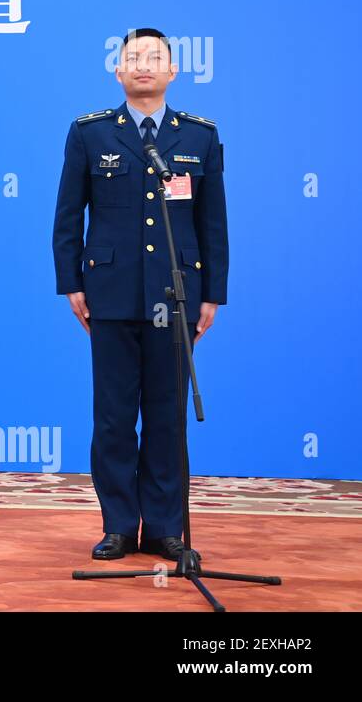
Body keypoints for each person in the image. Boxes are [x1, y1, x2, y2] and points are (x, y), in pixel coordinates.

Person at [52, 28, 228, 561]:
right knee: (112, 416)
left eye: (154, 58)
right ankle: (120, 526)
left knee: (168, 414)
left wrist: (211, 294)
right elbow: (67, 217)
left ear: (173, 71)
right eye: (132, 58)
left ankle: (167, 529)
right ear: (118, 72)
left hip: (176, 296)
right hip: (109, 295)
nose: (143, 65)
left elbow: (213, 222)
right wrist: (72, 283)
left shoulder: (199, 137)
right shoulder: (90, 133)